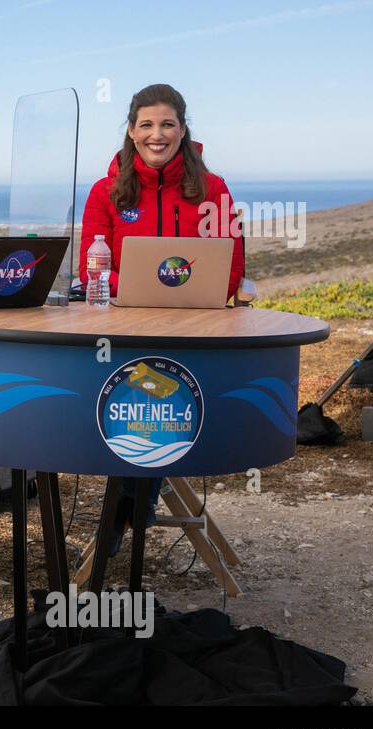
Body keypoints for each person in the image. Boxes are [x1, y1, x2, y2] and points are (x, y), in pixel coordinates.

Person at [79, 83, 245, 555]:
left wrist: (191, 297)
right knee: (137, 377)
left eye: (167, 124)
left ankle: (125, 503)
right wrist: (131, 290)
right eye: (147, 125)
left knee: (154, 377)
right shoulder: (104, 191)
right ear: (131, 132)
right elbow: (91, 269)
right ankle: (136, 497)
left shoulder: (213, 190)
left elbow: (233, 270)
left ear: (183, 129)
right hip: (124, 326)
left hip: (193, 328)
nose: (158, 134)